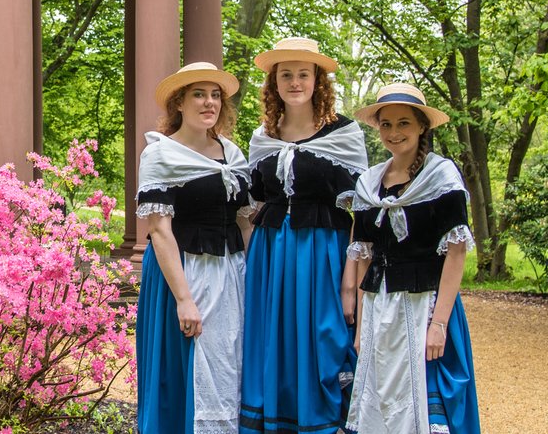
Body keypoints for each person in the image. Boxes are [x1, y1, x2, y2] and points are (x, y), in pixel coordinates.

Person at [240, 38, 369, 434]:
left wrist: (351, 283)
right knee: (272, 337)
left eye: (303, 74)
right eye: (286, 75)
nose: (295, 82)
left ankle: (320, 421)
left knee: (323, 335)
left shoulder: (345, 133)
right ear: (274, 83)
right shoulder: (263, 136)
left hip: (323, 250)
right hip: (270, 252)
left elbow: (360, 212)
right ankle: (274, 419)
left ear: (318, 81)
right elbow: (253, 205)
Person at [341, 82, 480, 434]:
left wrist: (439, 324)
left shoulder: (441, 177)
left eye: (404, 123)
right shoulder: (369, 183)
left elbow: (456, 253)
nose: (394, 132)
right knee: (381, 399)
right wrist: (360, 325)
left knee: (427, 402)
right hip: (379, 308)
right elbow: (365, 256)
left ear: (421, 127)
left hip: (426, 307)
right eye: (386, 124)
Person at [136, 62, 257, 434]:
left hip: (230, 273)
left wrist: (249, 274)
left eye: (216, 95)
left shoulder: (232, 154)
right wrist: (184, 299)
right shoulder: (161, 155)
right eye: (199, 95)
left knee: (228, 363)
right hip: (183, 273)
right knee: (183, 369)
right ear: (179, 103)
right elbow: (159, 231)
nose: (209, 103)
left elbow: (243, 220)